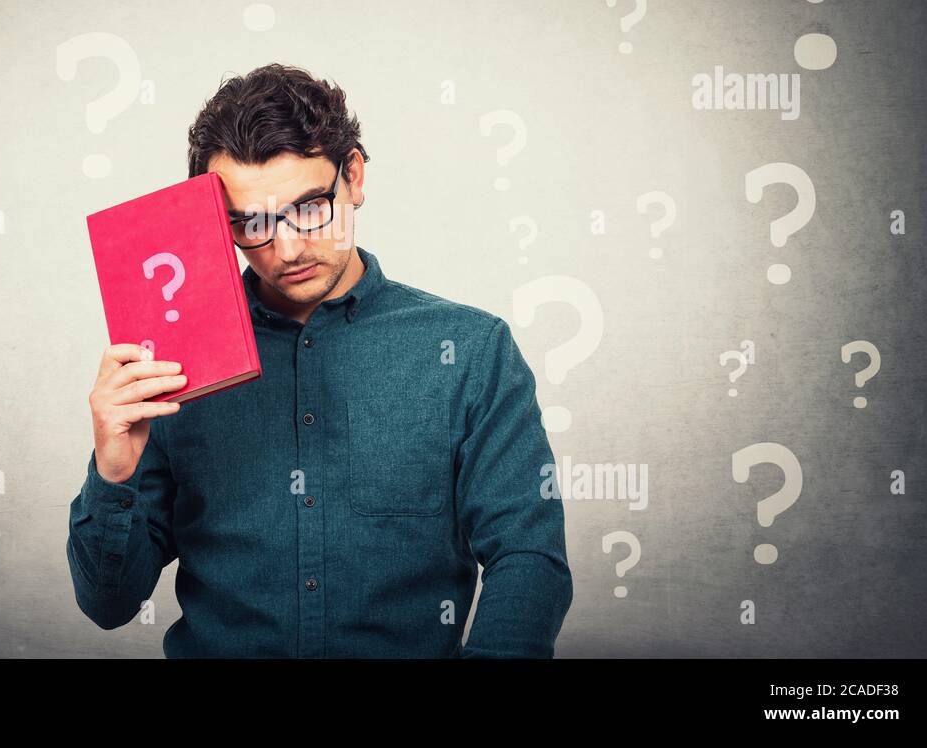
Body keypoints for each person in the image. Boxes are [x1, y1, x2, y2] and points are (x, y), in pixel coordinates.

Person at [67, 63, 572, 657]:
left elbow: (527, 558)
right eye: (252, 222)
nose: (286, 248)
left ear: (353, 175)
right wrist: (113, 473)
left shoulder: (471, 351)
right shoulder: (170, 365)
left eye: (309, 207)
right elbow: (107, 605)